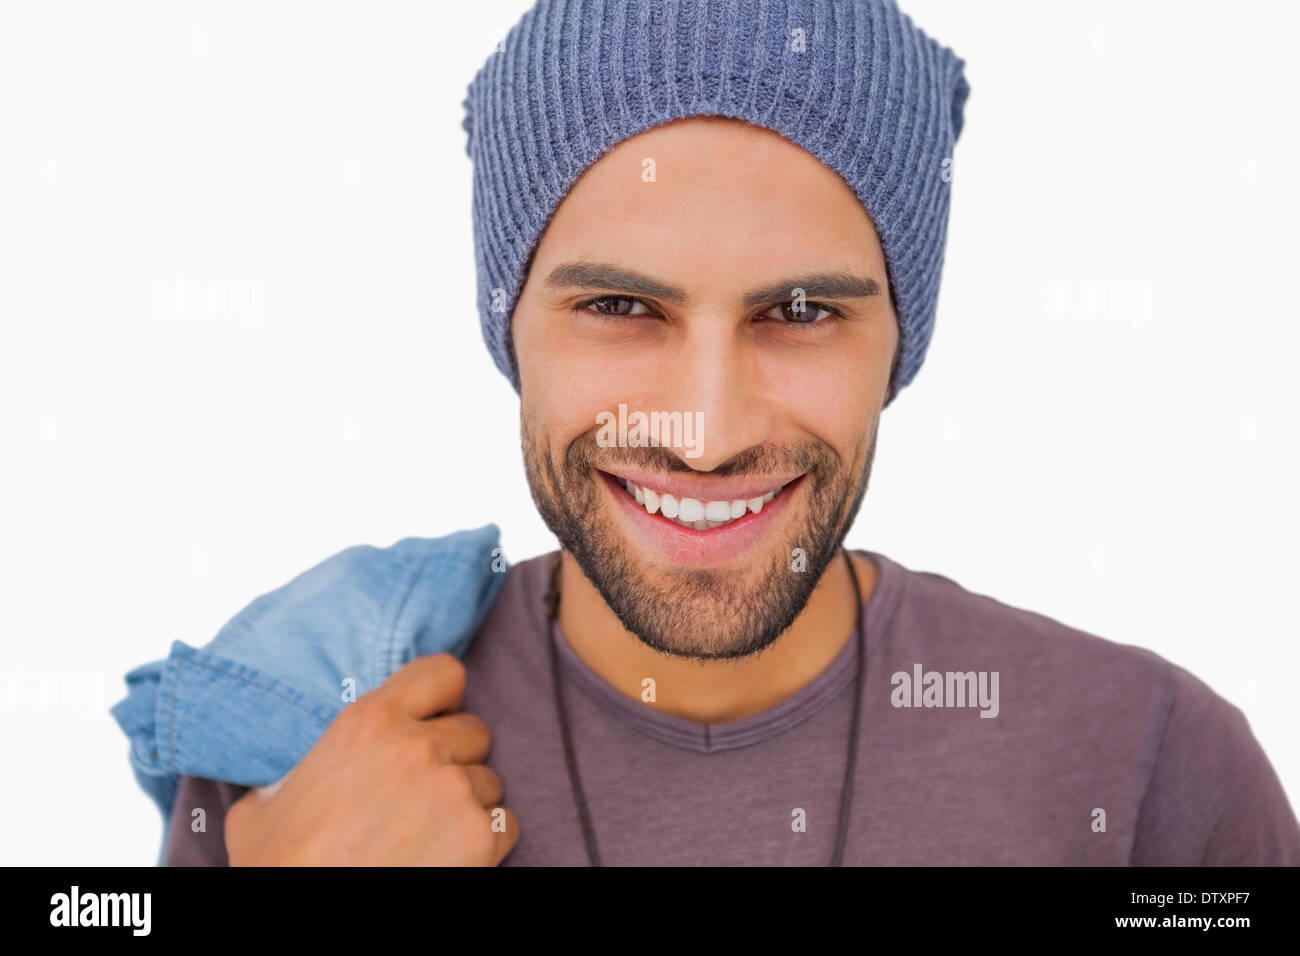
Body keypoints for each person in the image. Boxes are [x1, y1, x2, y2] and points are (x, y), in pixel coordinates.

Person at [150, 0, 1300, 866]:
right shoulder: (302, 750)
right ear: (509, 325)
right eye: (619, 306)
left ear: (899, 337)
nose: (703, 434)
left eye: (800, 312)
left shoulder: (1147, 764)